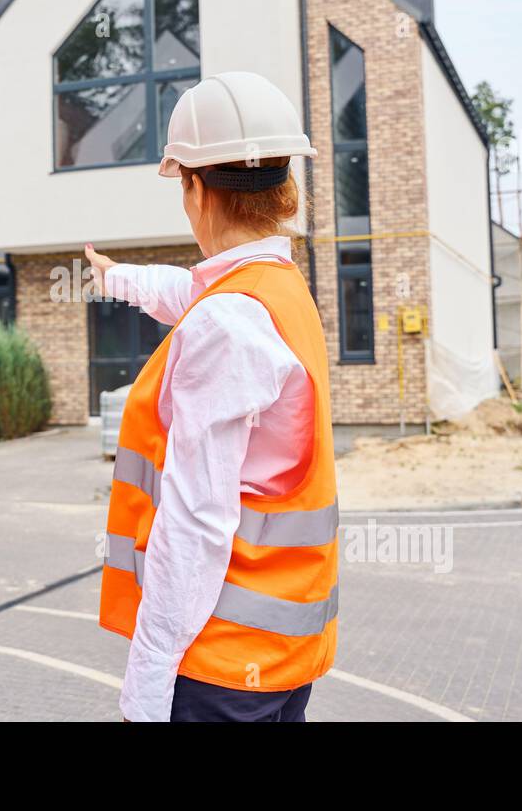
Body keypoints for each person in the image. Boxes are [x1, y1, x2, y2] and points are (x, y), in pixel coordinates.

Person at [89, 71, 339, 723]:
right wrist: (120, 280)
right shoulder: (272, 290)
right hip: (278, 656)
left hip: (218, 665)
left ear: (196, 187)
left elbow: (195, 525)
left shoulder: (227, 321)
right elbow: (190, 294)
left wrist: (145, 690)